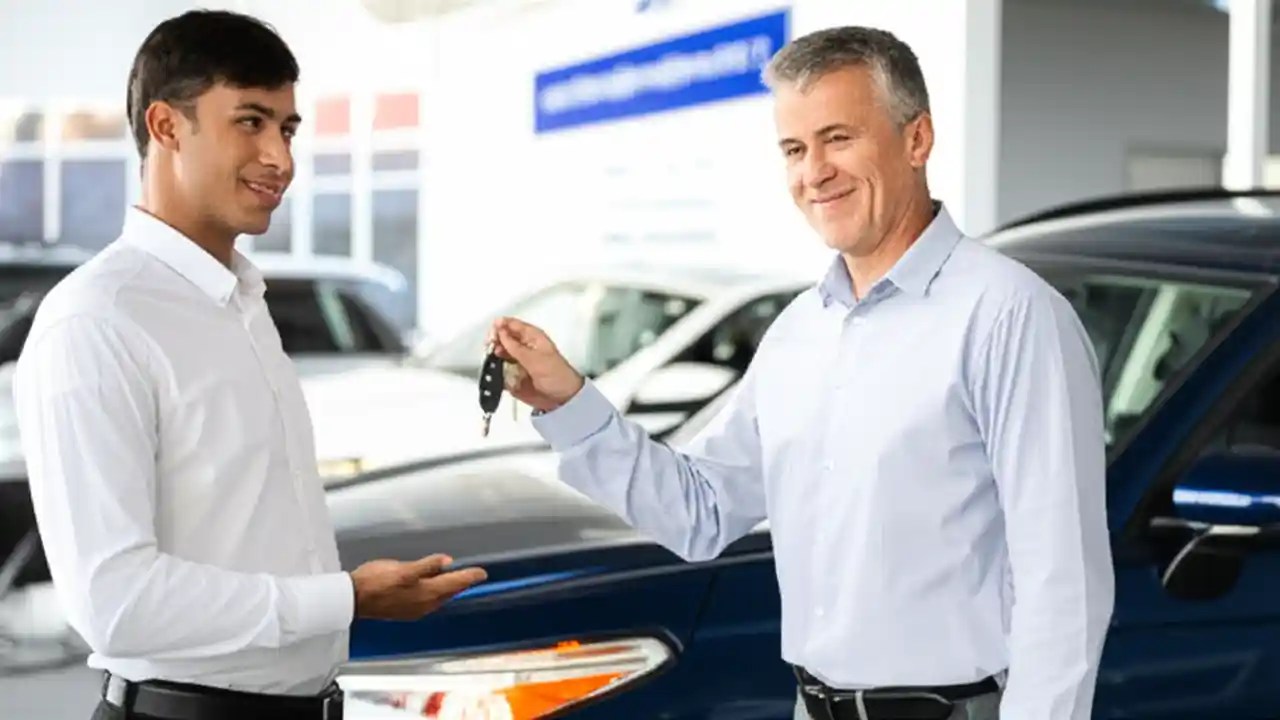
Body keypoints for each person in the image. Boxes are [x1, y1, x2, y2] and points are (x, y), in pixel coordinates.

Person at [489, 25, 1113, 720]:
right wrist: (568, 403)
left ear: (917, 139)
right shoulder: (798, 332)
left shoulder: (1009, 315)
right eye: (794, 148)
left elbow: (1064, 588)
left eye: (838, 138)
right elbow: (701, 513)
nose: (813, 171)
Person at [12, 10, 486, 720]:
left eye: (288, 129)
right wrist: (350, 596)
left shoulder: (240, 299)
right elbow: (116, 603)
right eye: (252, 122)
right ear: (167, 127)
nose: (282, 159)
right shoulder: (97, 319)